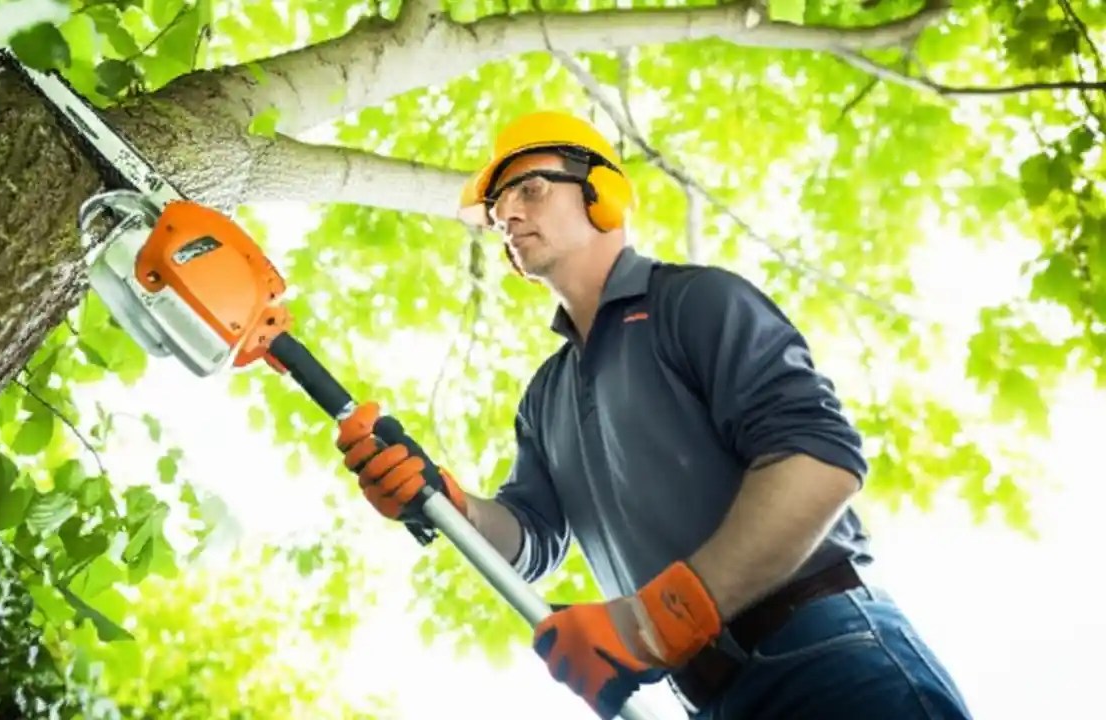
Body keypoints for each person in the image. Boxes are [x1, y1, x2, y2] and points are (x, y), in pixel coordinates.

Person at [333, 110, 974, 720]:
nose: (508, 214)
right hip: (708, 700)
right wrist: (449, 505)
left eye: (530, 189)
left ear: (602, 194)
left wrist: (655, 622)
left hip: (824, 654)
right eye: (499, 209)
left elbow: (818, 462)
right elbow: (530, 541)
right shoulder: (545, 398)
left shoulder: (694, 302)